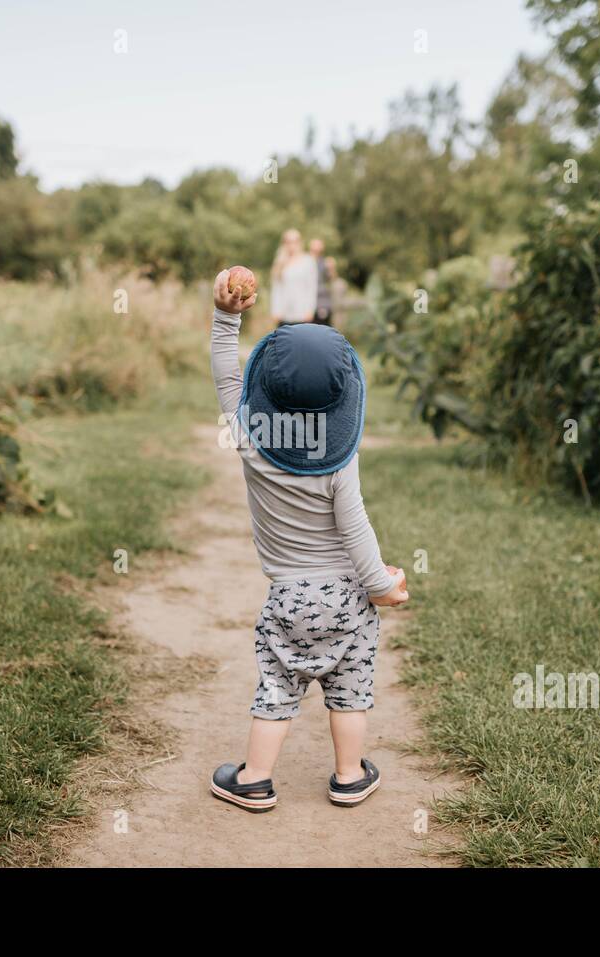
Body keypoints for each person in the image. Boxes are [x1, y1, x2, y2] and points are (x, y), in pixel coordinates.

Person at [207, 268, 409, 813]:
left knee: (277, 687)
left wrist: (227, 317)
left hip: (289, 597)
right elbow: (356, 524)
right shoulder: (340, 462)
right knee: (349, 690)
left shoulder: (250, 436)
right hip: (349, 596)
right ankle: (348, 776)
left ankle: (254, 778)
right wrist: (380, 583)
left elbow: (227, 375)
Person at [269, 229, 317, 327]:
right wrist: (275, 310)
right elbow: (276, 289)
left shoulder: (308, 261)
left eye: (295, 241)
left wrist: (310, 310)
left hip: (302, 313)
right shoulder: (279, 263)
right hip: (284, 314)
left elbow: (312, 287)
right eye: (288, 242)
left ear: (300, 242)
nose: (292, 245)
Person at [308, 238, 334, 326]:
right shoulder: (304, 261)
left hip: (321, 303)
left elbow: (331, 279)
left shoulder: (325, 262)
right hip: (307, 303)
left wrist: (331, 269)